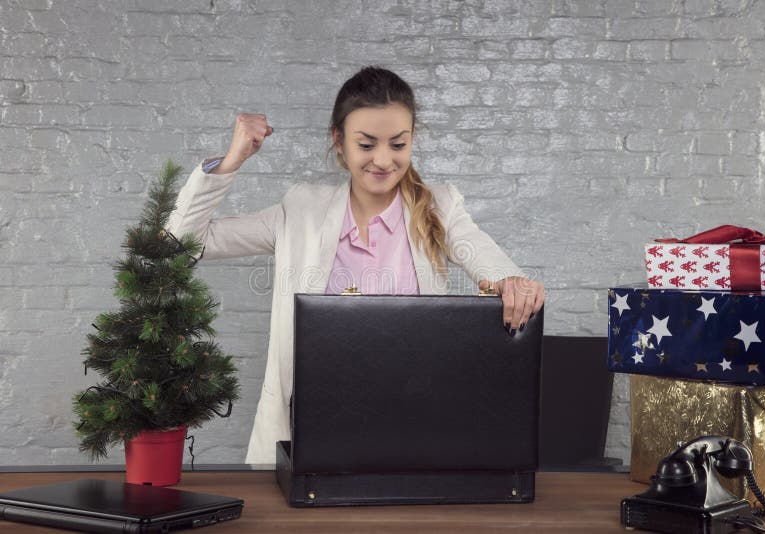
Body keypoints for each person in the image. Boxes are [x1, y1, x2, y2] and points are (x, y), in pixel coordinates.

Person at [166, 66, 545, 465]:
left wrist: (510, 281)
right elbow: (182, 243)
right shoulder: (301, 209)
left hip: (415, 426)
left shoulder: (439, 206)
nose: (383, 160)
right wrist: (233, 158)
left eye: (398, 145)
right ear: (339, 142)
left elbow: (481, 254)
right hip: (311, 432)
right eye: (366, 145)